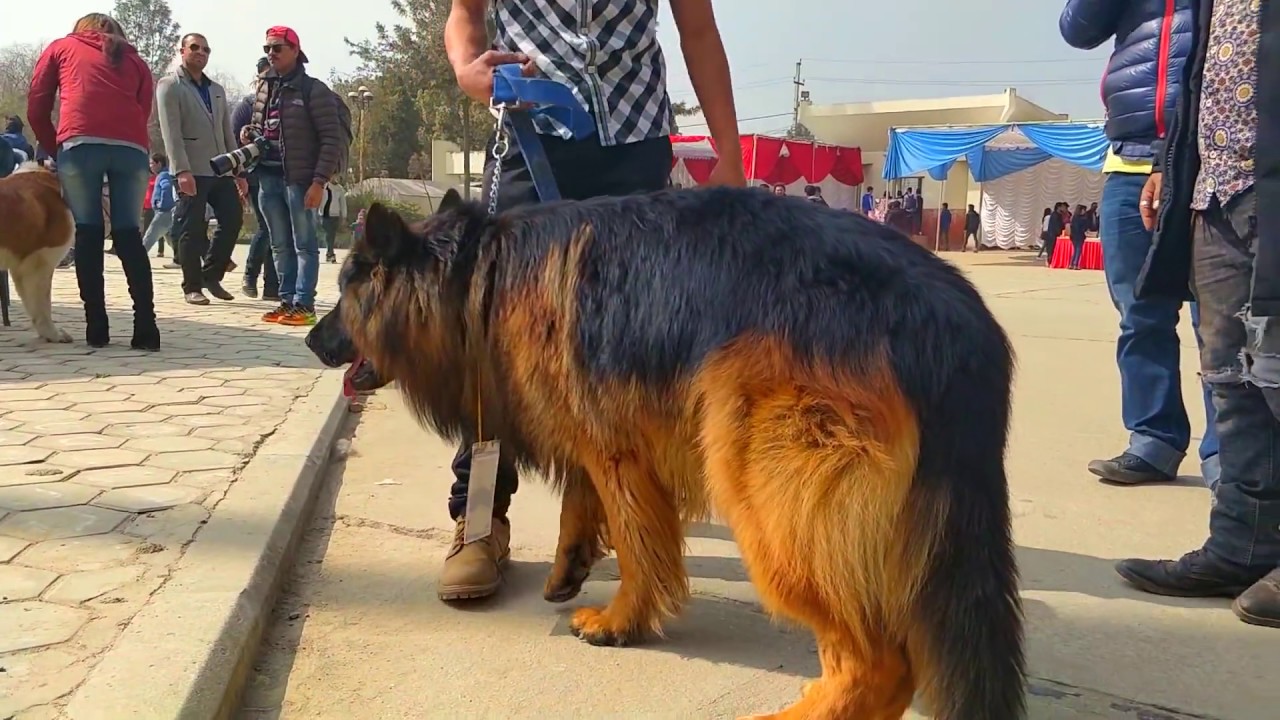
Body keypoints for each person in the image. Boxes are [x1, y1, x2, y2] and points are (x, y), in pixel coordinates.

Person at [419, 0, 745, 601]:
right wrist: (468, 68)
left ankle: (599, 518)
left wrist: (730, 148)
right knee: (495, 345)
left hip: (634, 142)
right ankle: (481, 517)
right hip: (530, 130)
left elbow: (696, 26)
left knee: (627, 350)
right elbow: (465, 12)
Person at [1119, 0, 1279, 628]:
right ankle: (1243, 545)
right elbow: (1197, 81)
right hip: (1215, 191)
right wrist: (1169, 164)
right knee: (1232, 378)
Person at [1061, 0, 1219, 488]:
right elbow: (1076, 29)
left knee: (1220, 319)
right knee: (1139, 314)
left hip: (1210, 159)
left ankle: (1231, 457)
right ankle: (1153, 440)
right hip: (1129, 159)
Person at [27, 13, 158, 350]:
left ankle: (96, 328)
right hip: (130, 147)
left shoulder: (61, 47)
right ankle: (146, 327)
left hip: (81, 143)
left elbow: (37, 105)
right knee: (129, 232)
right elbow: (143, 111)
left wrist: (56, 144)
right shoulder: (136, 61)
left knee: (88, 231)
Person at [242, 27, 348, 327]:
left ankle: (304, 304)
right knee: (279, 244)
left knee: (304, 244)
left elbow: (331, 139)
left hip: (300, 180)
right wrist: (250, 135)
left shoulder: (314, 90)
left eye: (277, 48)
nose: (271, 54)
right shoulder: (265, 87)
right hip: (268, 178)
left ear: (294, 51)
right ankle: (286, 301)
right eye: (267, 49)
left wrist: (319, 182)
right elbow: (260, 125)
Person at [156, 33, 246, 306]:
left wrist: (238, 169)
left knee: (233, 219)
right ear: (182, 51)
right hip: (191, 169)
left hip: (220, 168)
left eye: (206, 49)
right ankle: (191, 286)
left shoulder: (217, 90)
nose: (201, 53)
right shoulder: (170, 86)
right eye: (194, 48)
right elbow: (170, 132)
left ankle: (211, 274)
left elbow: (226, 132)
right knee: (191, 228)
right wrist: (181, 170)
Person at [231, 56, 280, 301]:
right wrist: (238, 175)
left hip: (278, 172)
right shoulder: (247, 105)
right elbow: (232, 142)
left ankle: (272, 285)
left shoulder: (285, 103)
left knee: (279, 228)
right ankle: (250, 275)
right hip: (252, 175)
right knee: (267, 226)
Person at [142, 153, 176, 255]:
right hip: (168, 211)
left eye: (152, 163)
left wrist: (161, 204)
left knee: (149, 237)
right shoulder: (165, 174)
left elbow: (166, 188)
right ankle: (180, 258)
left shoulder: (163, 175)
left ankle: (137, 259)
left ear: (159, 164)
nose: (150, 166)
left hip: (163, 212)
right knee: (171, 238)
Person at [319, 180, 347, 262]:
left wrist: (344, 216)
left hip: (335, 215)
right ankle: (330, 253)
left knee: (332, 234)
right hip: (325, 214)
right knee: (329, 234)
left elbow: (343, 203)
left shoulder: (339, 189)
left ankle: (330, 253)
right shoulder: (325, 186)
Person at [1068, 203, 1090, 269]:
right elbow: (1084, 228)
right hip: (1079, 236)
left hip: (1073, 236)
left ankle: (1071, 264)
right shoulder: (1082, 219)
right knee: (1078, 250)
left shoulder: (1074, 218)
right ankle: (1075, 264)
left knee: (1075, 250)